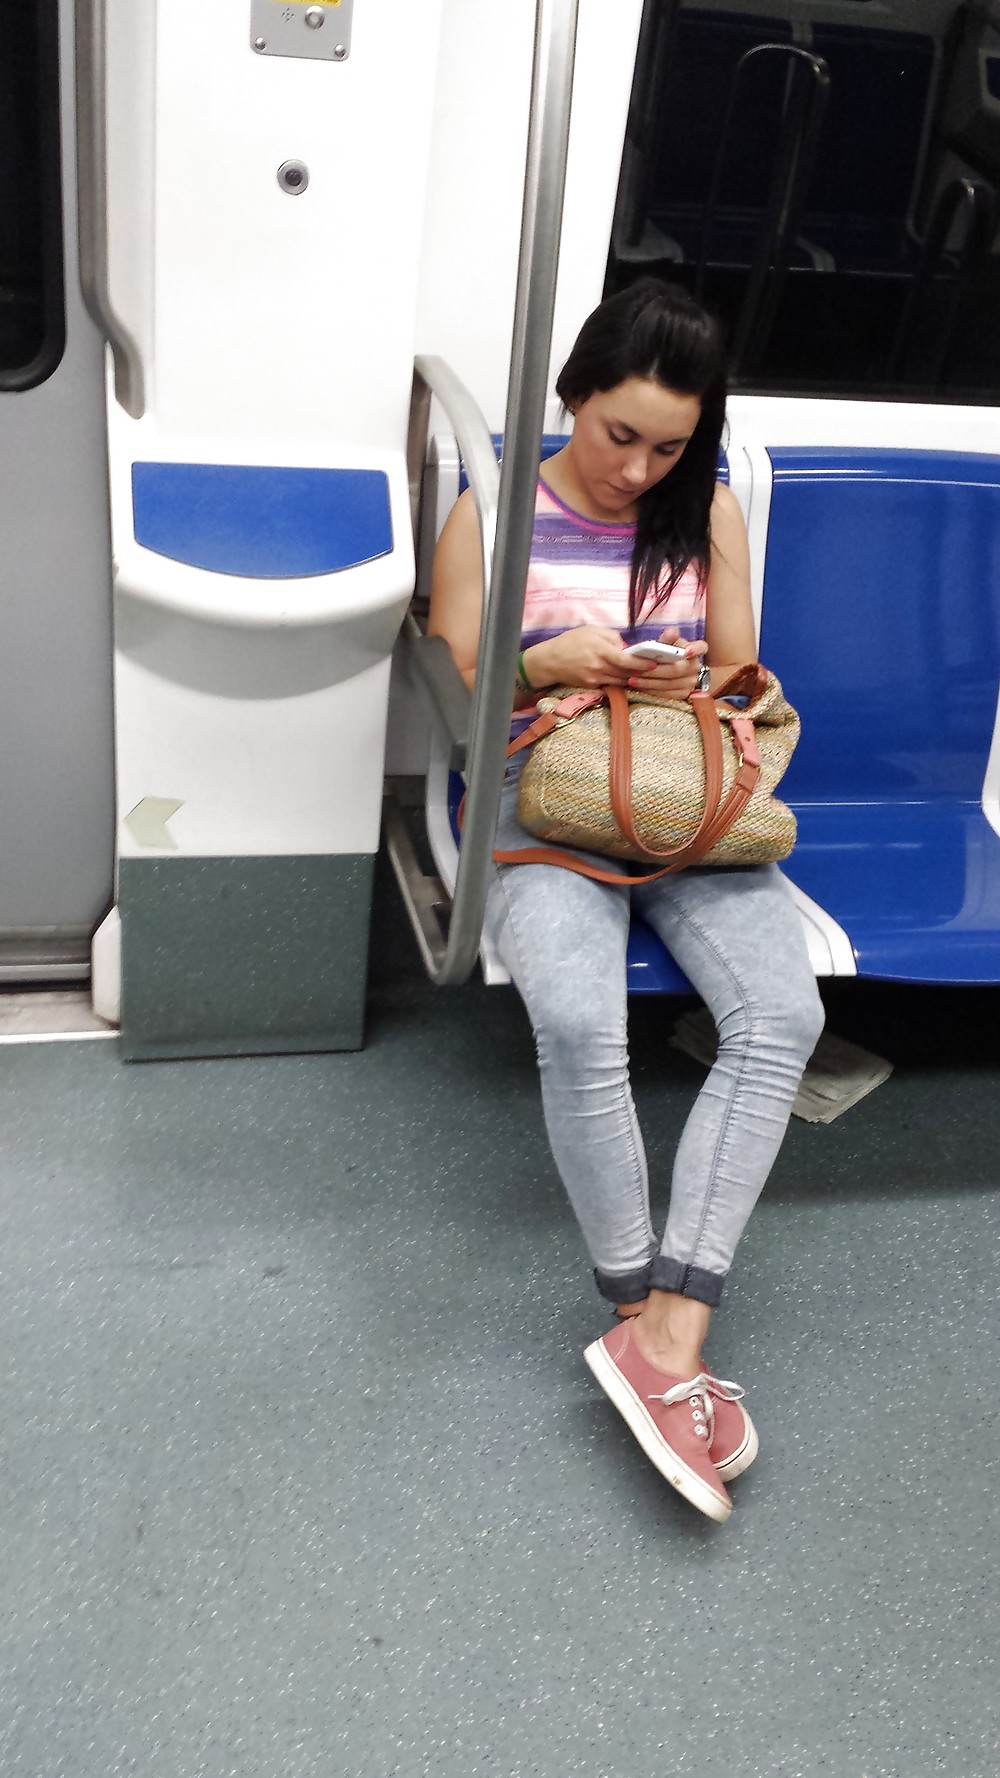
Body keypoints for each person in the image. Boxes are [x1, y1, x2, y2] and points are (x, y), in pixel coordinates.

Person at [428, 278, 824, 1523]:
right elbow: (457, 668)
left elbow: (738, 668)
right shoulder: (493, 509)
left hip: (675, 785)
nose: (637, 468)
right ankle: (632, 1308)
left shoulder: (700, 512)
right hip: (538, 786)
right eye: (618, 435)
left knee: (782, 1016)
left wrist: (681, 671)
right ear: (572, 400)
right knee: (584, 1024)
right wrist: (550, 657)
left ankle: (671, 1329)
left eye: (667, 445)